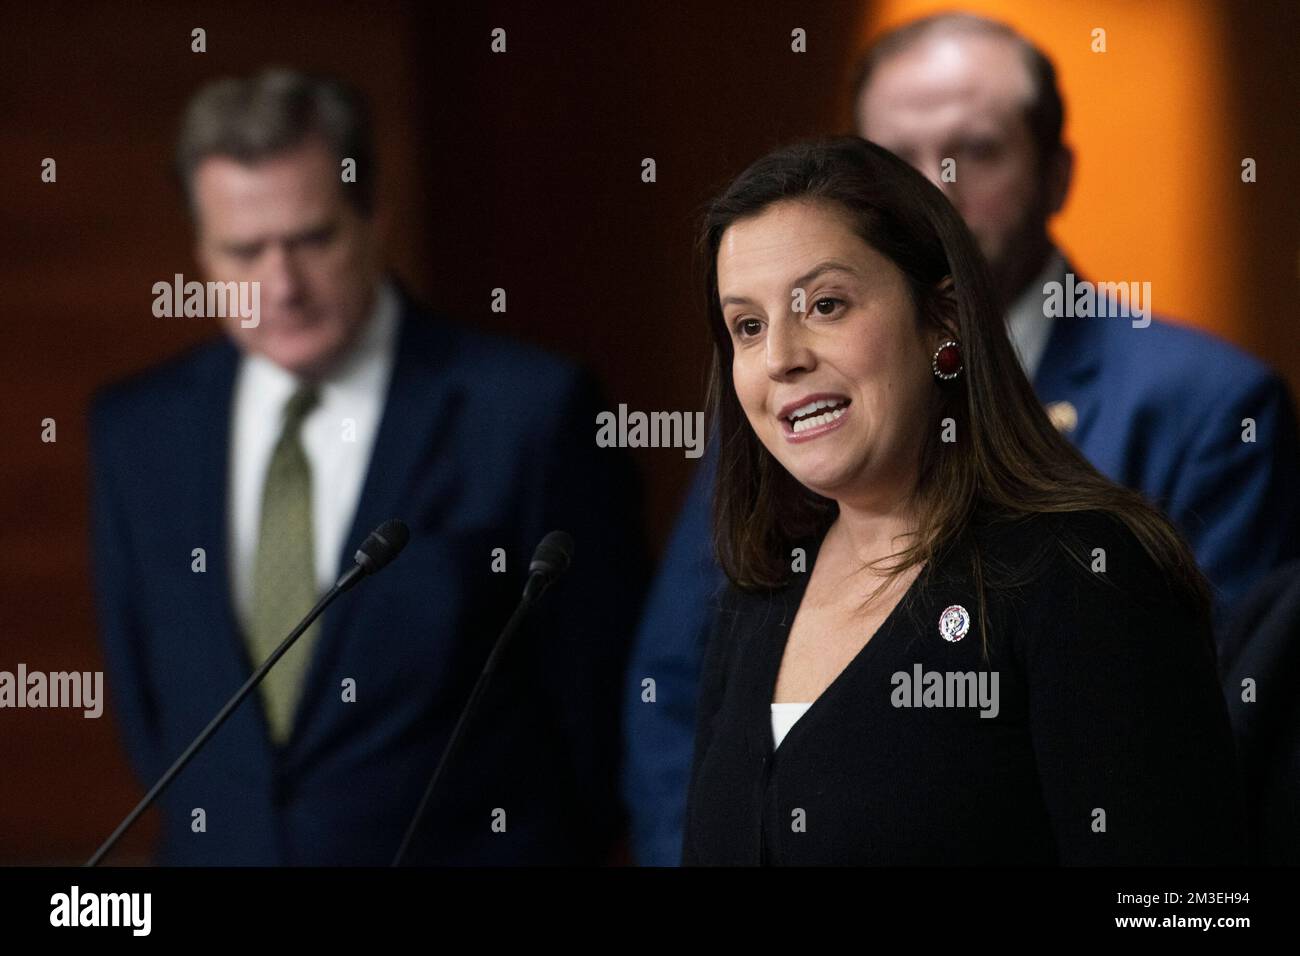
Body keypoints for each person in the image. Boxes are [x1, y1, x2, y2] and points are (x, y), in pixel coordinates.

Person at [624, 11, 1299, 866]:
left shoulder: (1084, 572)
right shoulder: (762, 589)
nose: (782, 359)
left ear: (940, 315)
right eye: (745, 328)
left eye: (825, 305)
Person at [88, 68, 645, 865]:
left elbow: (595, 718)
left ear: (374, 215)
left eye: (312, 239)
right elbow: (152, 710)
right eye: (243, 251)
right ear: (200, 252)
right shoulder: (138, 428)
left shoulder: (528, 410)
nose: (279, 286)